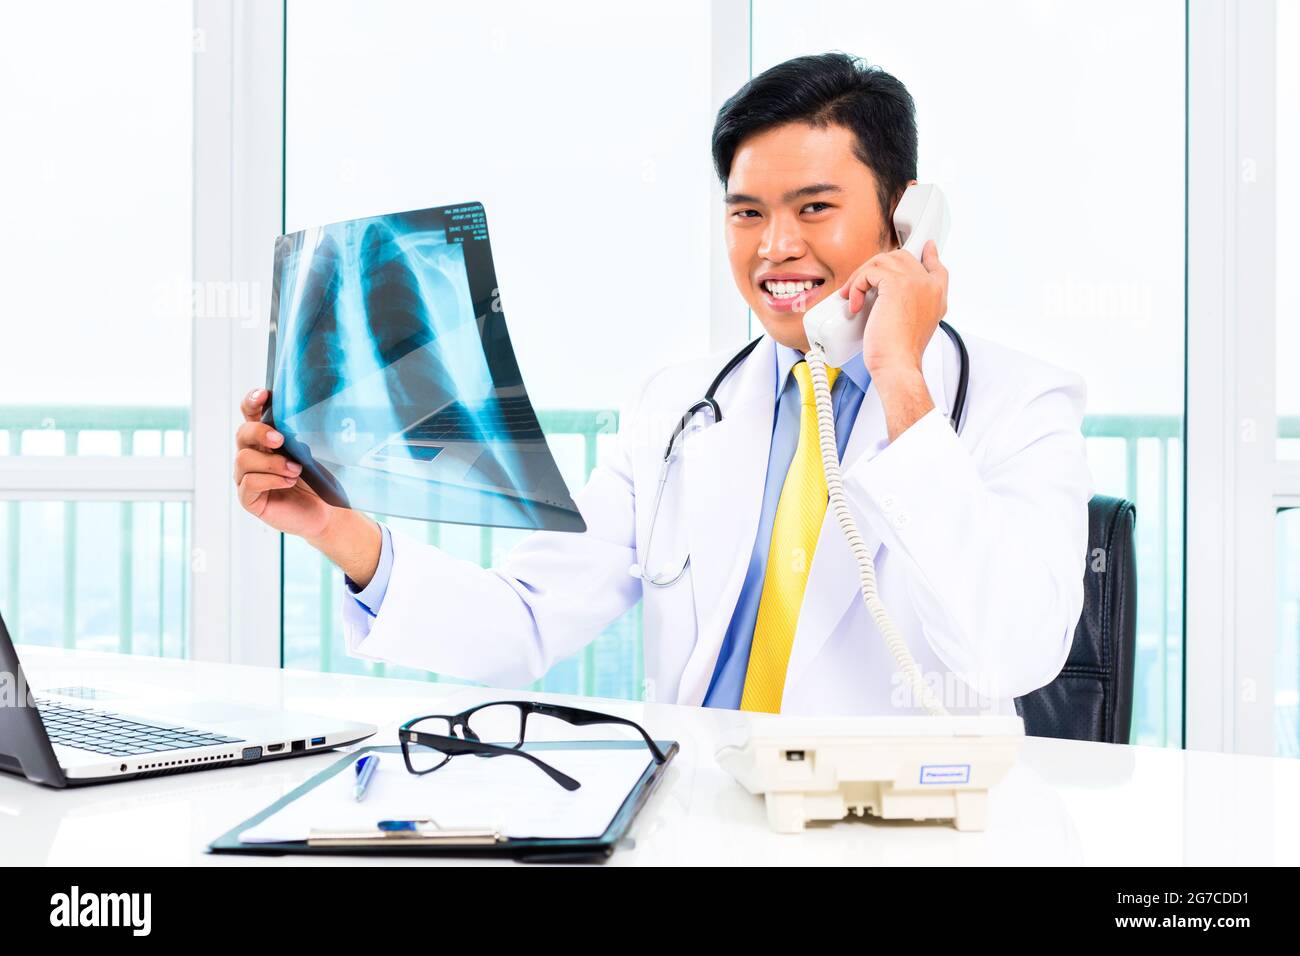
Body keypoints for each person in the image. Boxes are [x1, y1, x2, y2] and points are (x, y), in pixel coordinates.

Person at [233, 52, 1092, 716]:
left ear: (904, 216)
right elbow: (524, 620)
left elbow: (1012, 651)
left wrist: (902, 378)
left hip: (883, 837)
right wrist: (334, 529)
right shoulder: (680, 408)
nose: (773, 247)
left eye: (814, 208)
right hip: (691, 823)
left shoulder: (1021, 403)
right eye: (747, 211)